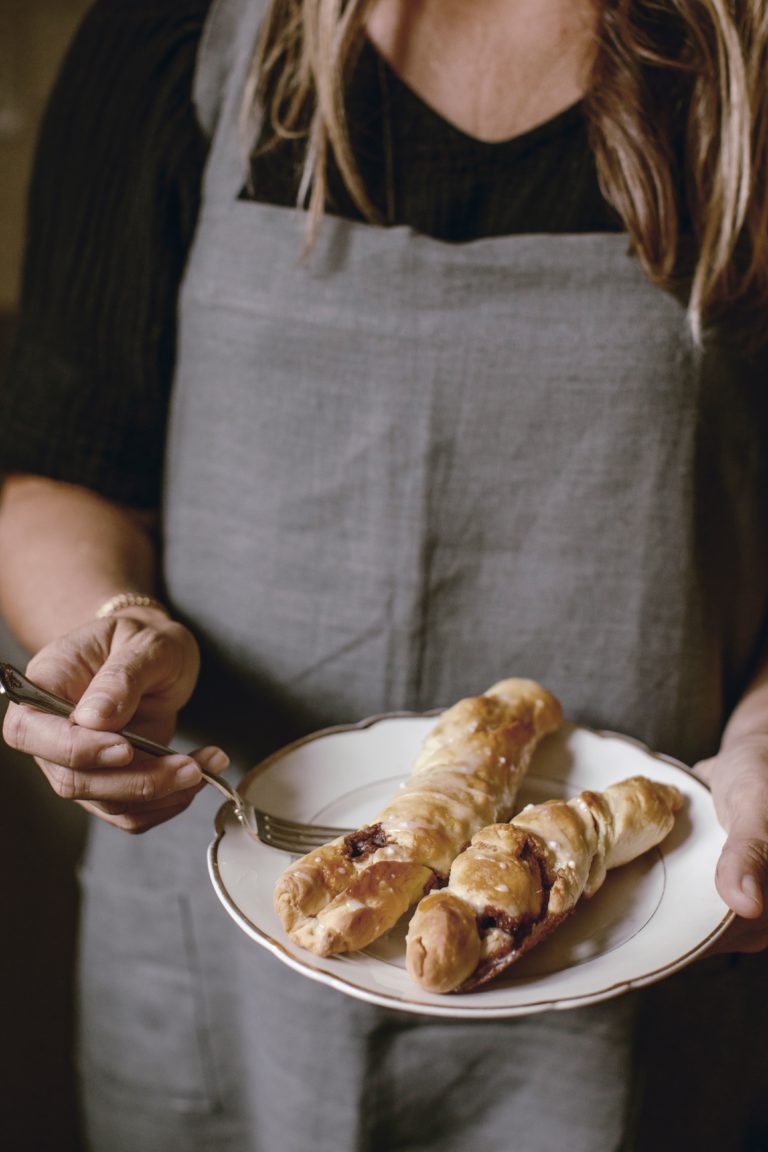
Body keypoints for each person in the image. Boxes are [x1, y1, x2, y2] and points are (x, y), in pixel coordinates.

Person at [1, 0, 767, 1148]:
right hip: (227, 914)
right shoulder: (172, 32)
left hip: (641, 937)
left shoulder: (746, 69)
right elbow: (65, 470)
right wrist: (111, 627)